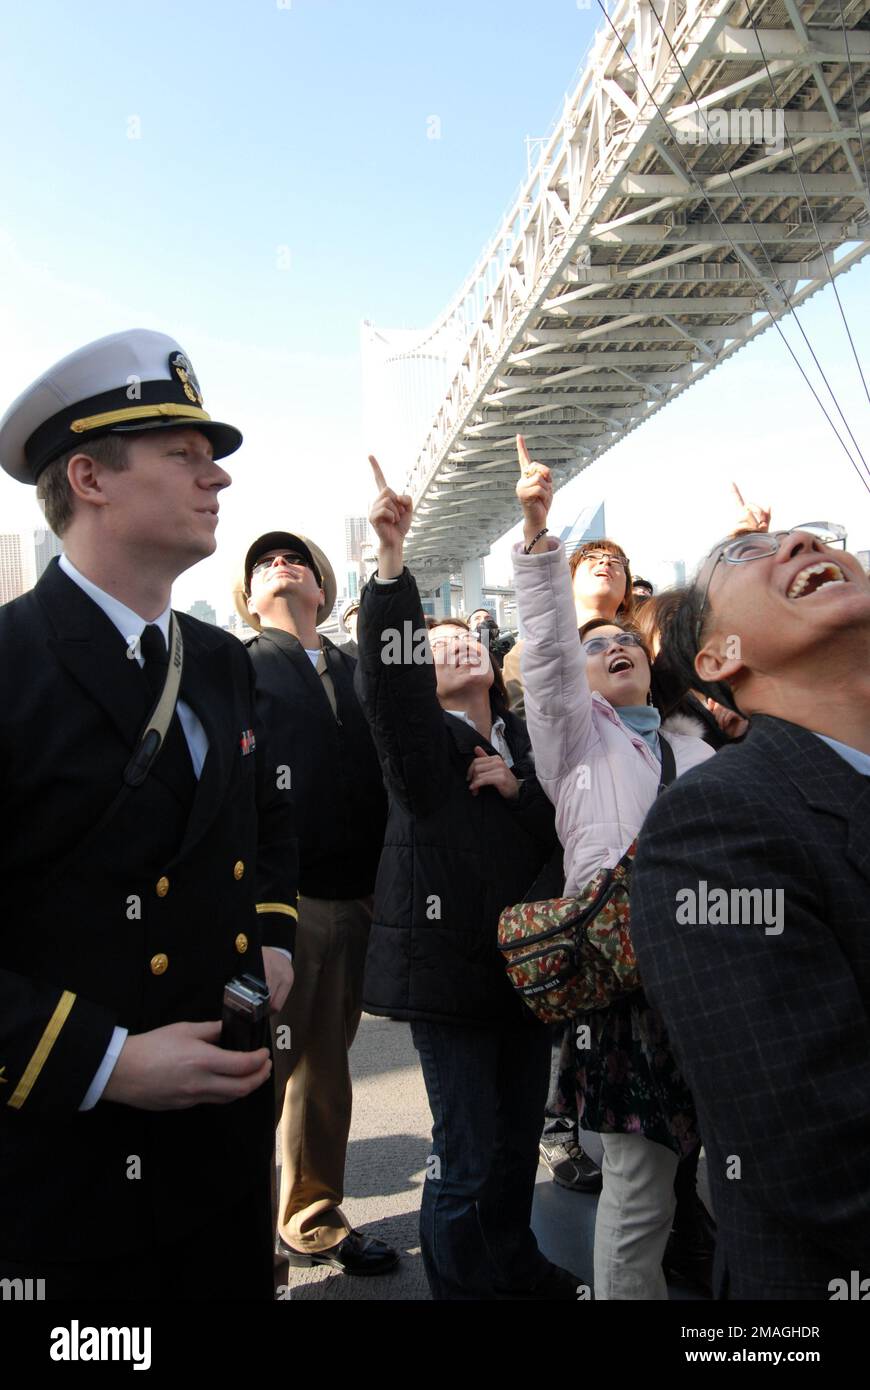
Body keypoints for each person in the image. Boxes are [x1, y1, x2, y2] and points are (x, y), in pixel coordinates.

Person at [0, 330, 297, 1300]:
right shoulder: (11, 663)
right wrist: (104, 1060)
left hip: (220, 1155)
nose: (216, 478)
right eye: (183, 454)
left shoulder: (218, 661)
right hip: (63, 1170)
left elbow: (263, 822)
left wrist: (276, 938)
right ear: (87, 475)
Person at [356, 454, 579, 1301]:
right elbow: (388, 686)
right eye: (434, 641)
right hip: (452, 979)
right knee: (466, 1156)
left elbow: (566, 832)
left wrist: (519, 791)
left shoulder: (527, 744)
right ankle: (461, 1289)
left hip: (526, 972)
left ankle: (515, 1269)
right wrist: (391, 562)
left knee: (518, 1147)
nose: (453, 643)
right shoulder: (422, 749)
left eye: (465, 635)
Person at [631, 521, 870, 1299]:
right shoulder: (716, 826)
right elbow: (815, 1154)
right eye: (745, 555)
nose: (801, 541)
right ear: (719, 660)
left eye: (821, 535)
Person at [512, 434, 714, 1300]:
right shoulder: (573, 741)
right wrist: (536, 539)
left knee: (719, 1173)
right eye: (595, 649)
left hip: (717, 970)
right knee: (638, 1189)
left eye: (621, 642)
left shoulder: (695, 742)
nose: (610, 649)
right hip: (631, 985)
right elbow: (550, 656)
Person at [235, 531, 396, 1276]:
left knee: (326, 1071)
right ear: (247, 598)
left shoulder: (361, 670)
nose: (280, 565)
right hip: (274, 906)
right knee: (256, 1075)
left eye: (295, 559)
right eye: (264, 562)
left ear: (325, 595)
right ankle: (238, 1246)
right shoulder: (231, 668)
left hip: (354, 899)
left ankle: (312, 1218)